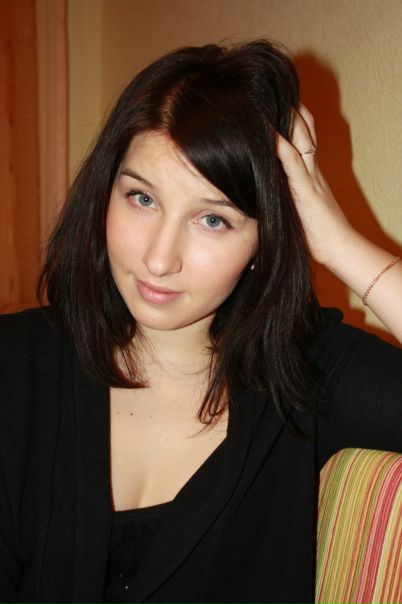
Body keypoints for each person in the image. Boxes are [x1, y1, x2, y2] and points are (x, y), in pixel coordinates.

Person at [0, 40, 401, 604]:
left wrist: (337, 242)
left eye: (213, 219)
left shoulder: (304, 377)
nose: (159, 258)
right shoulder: (16, 364)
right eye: (141, 198)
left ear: (264, 239)